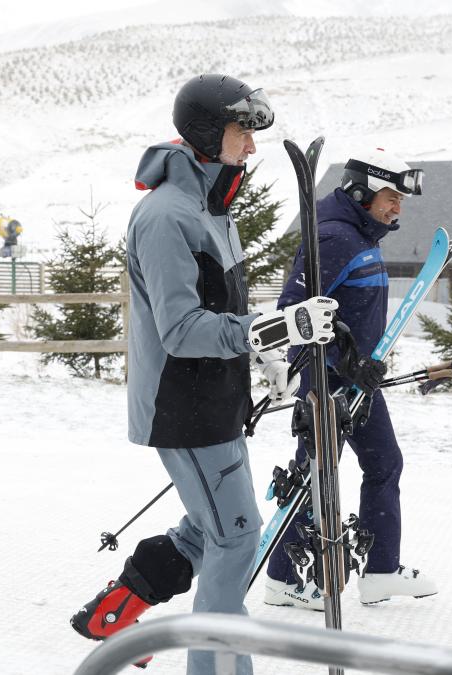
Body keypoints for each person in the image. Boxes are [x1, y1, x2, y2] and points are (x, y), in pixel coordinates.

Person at [70, 73, 338, 675]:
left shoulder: (211, 209)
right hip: (182, 407)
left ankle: (121, 603)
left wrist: (264, 355)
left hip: (215, 399)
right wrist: (276, 330)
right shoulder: (167, 217)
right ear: (205, 132)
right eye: (241, 129)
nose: (249, 143)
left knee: (211, 524)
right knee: (236, 539)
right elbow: (183, 329)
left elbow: (228, 312)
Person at [264, 148, 438, 609]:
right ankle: (282, 579)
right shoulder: (336, 238)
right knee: (312, 477)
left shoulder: (362, 236)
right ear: (361, 191)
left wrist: (363, 361)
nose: (397, 207)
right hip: (328, 382)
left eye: (401, 199)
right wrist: (347, 360)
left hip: (358, 382)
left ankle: (381, 571)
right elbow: (294, 313)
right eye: (390, 196)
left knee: (383, 464)